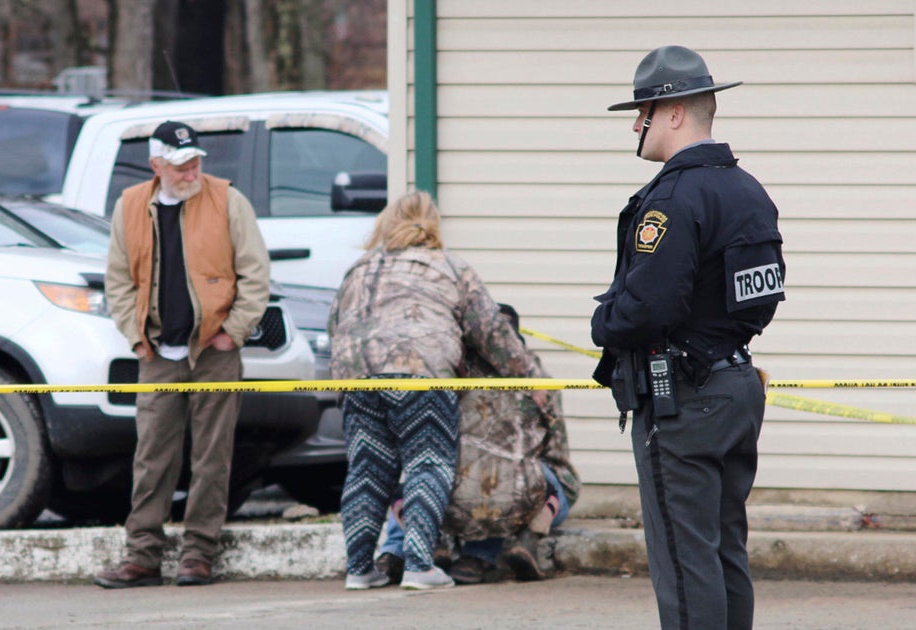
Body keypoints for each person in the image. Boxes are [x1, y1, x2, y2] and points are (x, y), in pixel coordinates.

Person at [591, 46, 785, 629]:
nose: (636, 124)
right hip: (735, 387)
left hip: (683, 399)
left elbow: (647, 308)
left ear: (673, 112)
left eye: (642, 110)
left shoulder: (674, 197)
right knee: (723, 552)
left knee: (683, 561)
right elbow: (762, 294)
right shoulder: (747, 189)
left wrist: (603, 322)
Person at [328, 190, 545, 591]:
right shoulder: (449, 266)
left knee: (366, 470)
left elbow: (334, 324)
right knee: (428, 463)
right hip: (420, 374)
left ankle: (358, 569)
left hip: (355, 375)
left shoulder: (359, 269)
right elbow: (492, 332)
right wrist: (530, 377)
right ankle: (419, 566)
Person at [95, 120, 270, 589]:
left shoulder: (229, 200)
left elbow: (255, 275)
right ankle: (143, 556)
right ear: (156, 165)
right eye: (180, 165)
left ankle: (199, 554)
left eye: (195, 162)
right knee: (152, 456)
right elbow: (118, 280)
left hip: (214, 349)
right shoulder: (130, 205)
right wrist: (136, 338)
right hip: (157, 351)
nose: (191, 172)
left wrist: (232, 332)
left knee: (212, 457)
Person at [375, 305, 581, 586]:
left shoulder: (446, 379)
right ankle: (482, 556)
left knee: (425, 478)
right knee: (506, 478)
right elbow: (556, 451)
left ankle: (401, 551)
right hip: (508, 489)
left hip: (458, 486)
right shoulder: (539, 383)